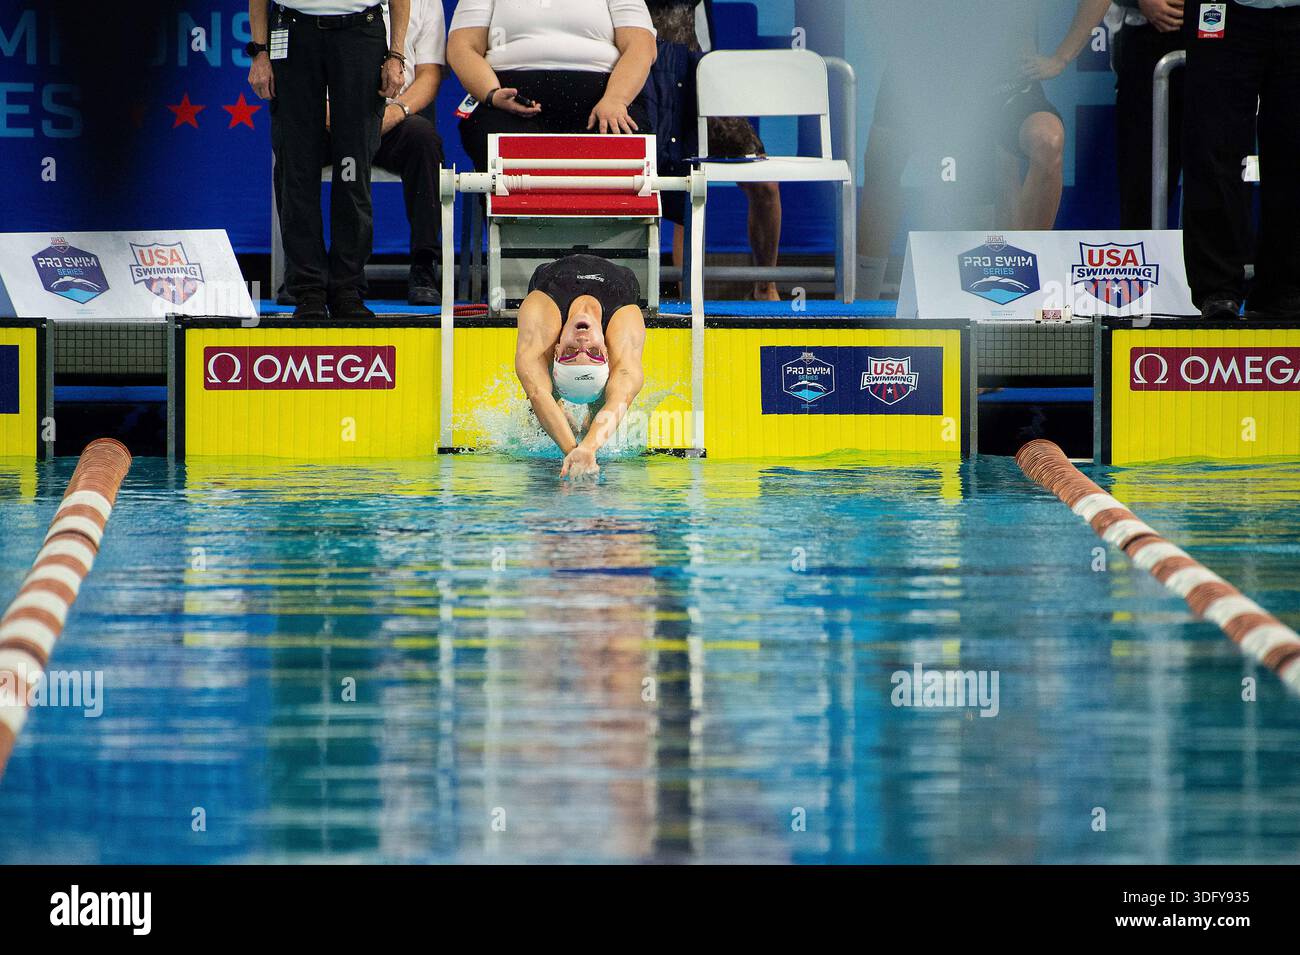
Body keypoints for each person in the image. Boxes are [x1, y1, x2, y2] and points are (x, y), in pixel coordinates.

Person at [248, 0, 409, 320]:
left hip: (361, 34)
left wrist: (396, 54)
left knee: (353, 169)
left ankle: (347, 287)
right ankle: (307, 289)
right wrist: (260, 52)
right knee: (296, 168)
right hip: (291, 33)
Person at [643, 0, 782, 301]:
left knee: (765, 185)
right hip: (647, 81)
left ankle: (765, 287)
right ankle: (689, 303)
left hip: (697, 78)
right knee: (687, 187)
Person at [1182, 0, 1300, 321]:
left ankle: (1286, 286)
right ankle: (1217, 288)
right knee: (1212, 147)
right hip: (1223, 9)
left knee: (1294, 150)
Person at [445, 0, 658, 172]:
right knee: (494, 142)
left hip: (603, 104)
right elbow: (462, 46)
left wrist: (616, 99)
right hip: (508, 105)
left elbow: (641, 45)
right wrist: (491, 93)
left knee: (625, 134)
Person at [514, 254, 646, 479]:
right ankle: (570, 419)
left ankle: (561, 412)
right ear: (605, 352)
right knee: (611, 388)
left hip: (550, 280)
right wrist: (586, 449)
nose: (582, 342)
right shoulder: (623, 321)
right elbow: (620, 398)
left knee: (537, 372)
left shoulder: (543, 306)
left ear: (557, 349)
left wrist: (574, 451)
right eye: (593, 353)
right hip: (622, 282)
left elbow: (537, 392)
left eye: (570, 353)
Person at [373, 0, 446, 305]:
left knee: (423, 138)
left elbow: (430, 73)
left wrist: (397, 111)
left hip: (397, 117)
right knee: (294, 138)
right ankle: (305, 270)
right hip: (331, 118)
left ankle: (424, 263)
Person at [1109, 0, 1186, 229]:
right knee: (1142, 176)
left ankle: (1212, 264)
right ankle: (1141, 258)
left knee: (1214, 172)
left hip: (1222, 33)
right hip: (1146, 36)